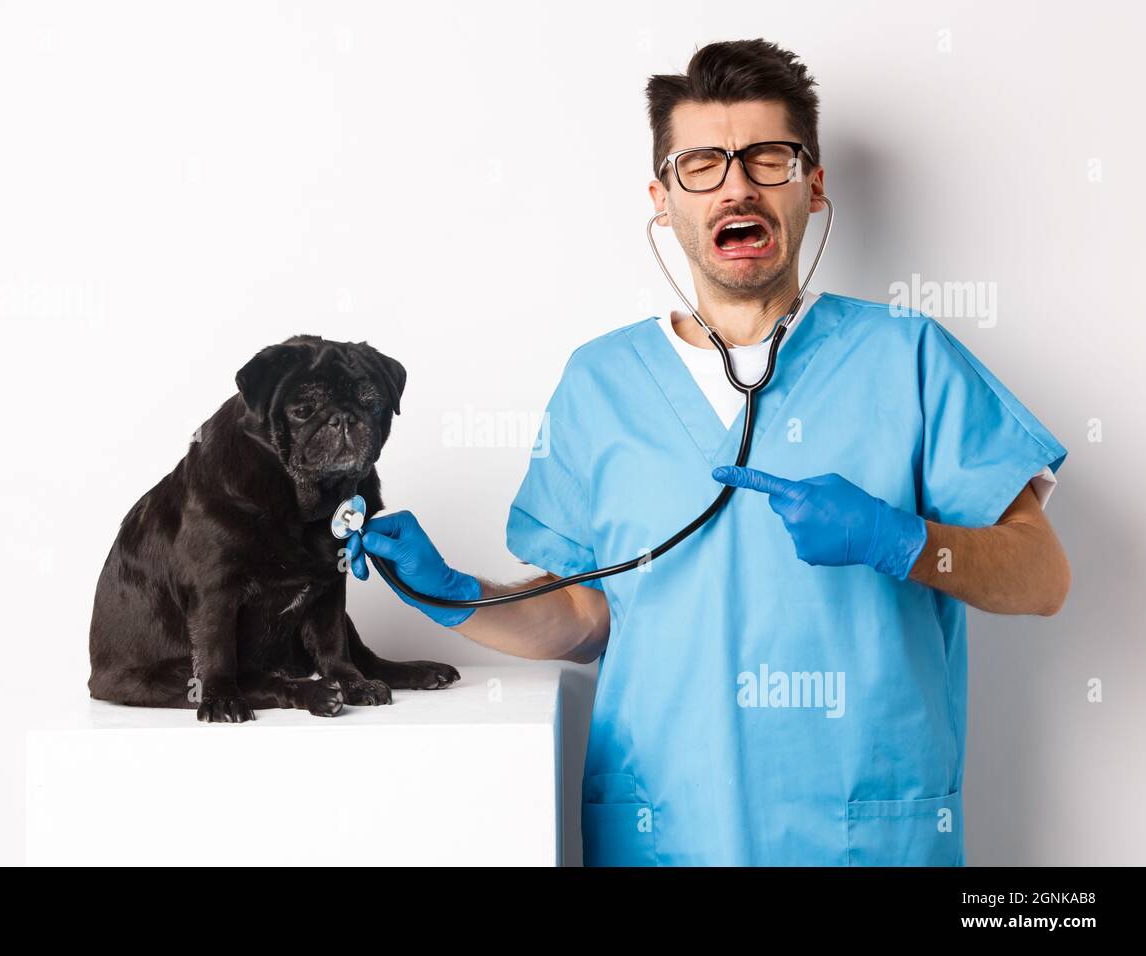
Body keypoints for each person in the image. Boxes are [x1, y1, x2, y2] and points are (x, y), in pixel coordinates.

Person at [345, 38, 1069, 866]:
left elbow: (1043, 579)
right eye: (702, 164)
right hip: (669, 835)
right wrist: (458, 597)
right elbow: (587, 618)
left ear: (814, 185)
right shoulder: (601, 383)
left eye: (769, 158)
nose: (737, 185)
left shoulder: (909, 358)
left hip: (866, 837)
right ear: (663, 199)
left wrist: (900, 542)